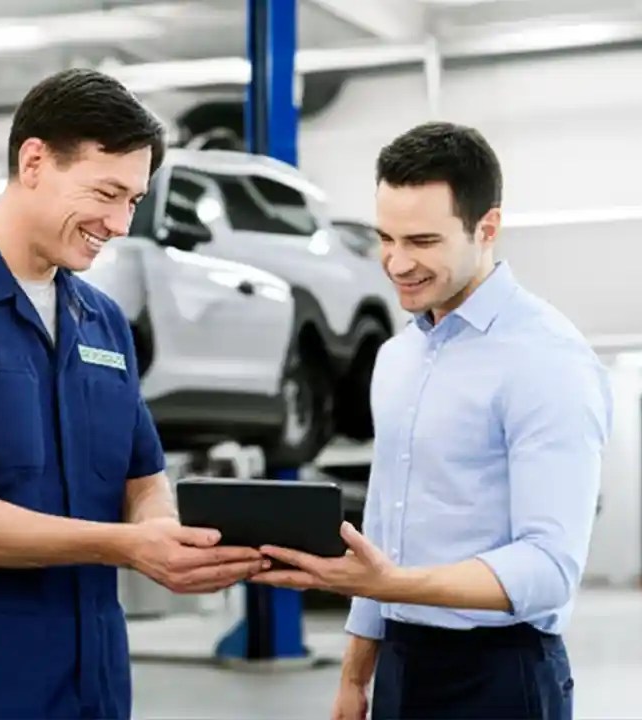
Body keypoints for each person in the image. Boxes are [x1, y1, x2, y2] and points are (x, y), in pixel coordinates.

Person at [0, 68, 268, 720]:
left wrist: (161, 535)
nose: (121, 224)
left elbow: (142, 477)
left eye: (134, 200)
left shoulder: (102, 321)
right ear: (34, 161)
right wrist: (120, 546)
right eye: (107, 192)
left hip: (96, 680)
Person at [251, 121, 612, 720]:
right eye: (384, 238)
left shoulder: (546, 361)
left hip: (501, 674)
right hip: (400, 664)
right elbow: (383, 526)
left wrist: (389, 585)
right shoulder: (399, 358)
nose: (396, 263)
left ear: (486, 228)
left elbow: (549, 568)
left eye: (421, 241)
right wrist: (355, 675)